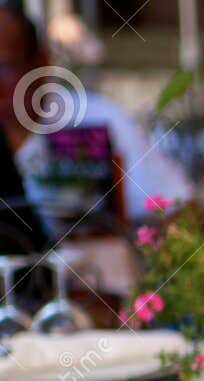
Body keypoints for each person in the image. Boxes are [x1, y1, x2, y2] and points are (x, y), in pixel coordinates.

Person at [0, 3, 191, 227]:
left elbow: (182, 211)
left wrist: (131, 247)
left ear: (41, 63)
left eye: (4, 68)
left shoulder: (97, 119)